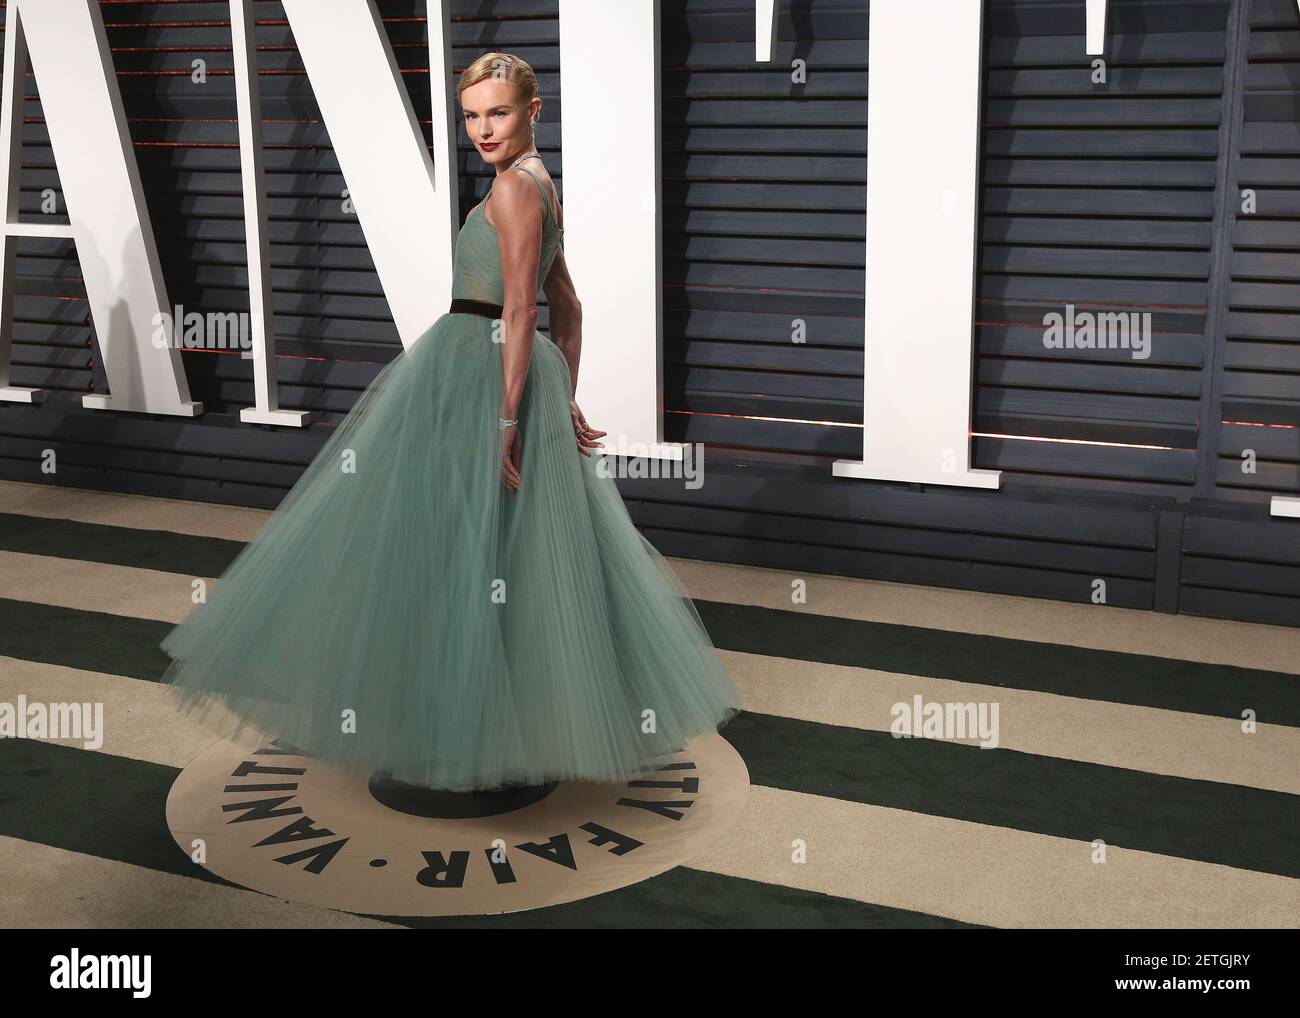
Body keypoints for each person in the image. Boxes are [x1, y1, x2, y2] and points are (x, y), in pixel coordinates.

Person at [158, 51, 743, 793]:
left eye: (497, 112)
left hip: (479, 372)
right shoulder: (536, 185)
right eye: (471, 116)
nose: (482, 129)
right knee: (500, 550)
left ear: (534, 111)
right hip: (494, 371)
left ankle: (464, 730)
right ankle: (501, 724)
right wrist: (556, 395)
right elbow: (571, 306)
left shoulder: (515, 192)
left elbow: (527, 307)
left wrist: (509, 417)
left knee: (461, 543)